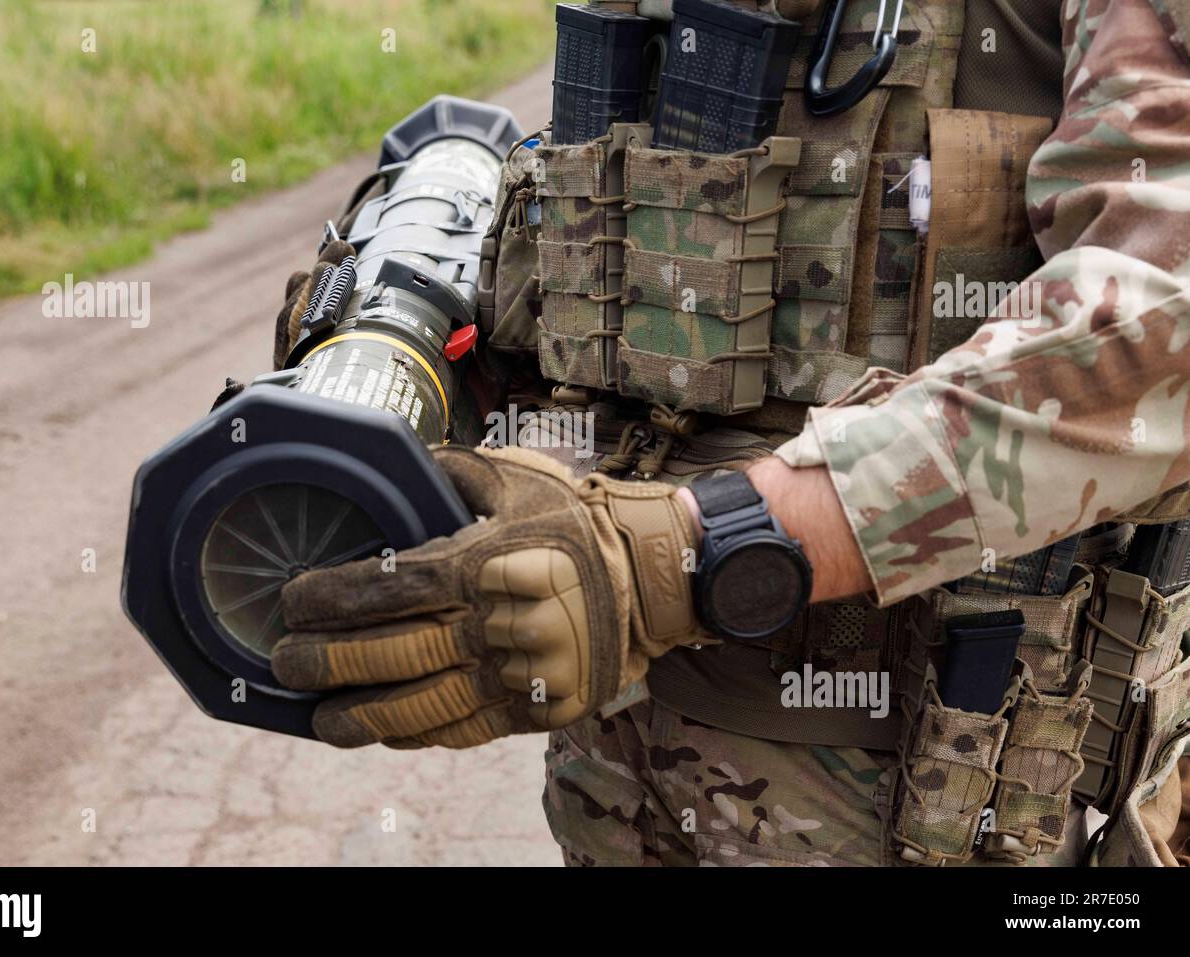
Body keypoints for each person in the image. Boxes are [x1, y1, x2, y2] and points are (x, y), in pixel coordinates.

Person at [265, 0, 1190, 866]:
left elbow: (1161, 339)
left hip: (937, 794)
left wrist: (692, 557)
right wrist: (406, 351)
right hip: (615, 774)